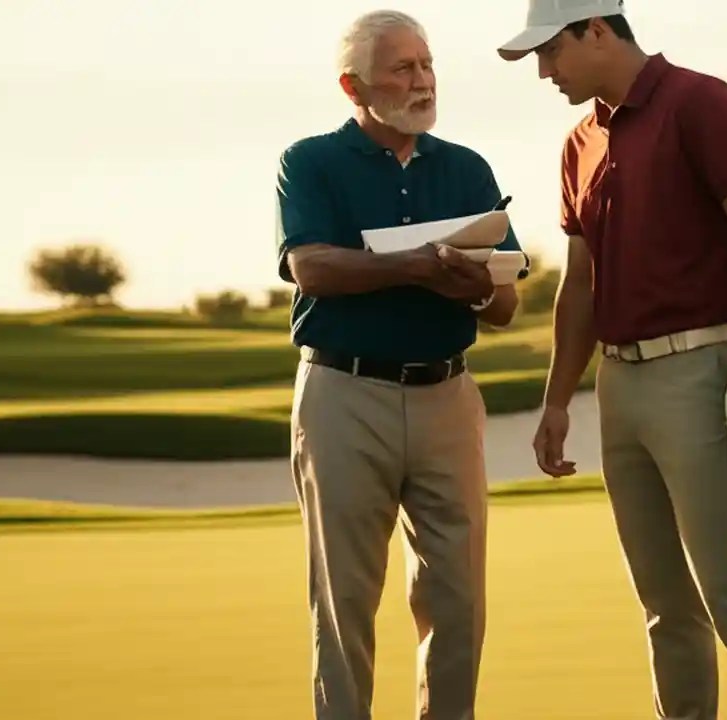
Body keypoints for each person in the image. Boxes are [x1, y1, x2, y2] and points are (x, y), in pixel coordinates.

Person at [497, 1, 727, 719]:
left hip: (701, 373)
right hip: (622, 384)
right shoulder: (579, 141)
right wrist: (556, 401)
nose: (545, 72)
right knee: (664, 603)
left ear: (599, 31)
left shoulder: (699, 103)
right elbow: (580, 284)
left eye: (551, 53)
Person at [275, 9, 523, 720]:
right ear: (354, 86)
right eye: (402, 69)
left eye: (426, 64)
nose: (421, 82)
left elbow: (504, 304)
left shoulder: (467, 168)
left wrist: (477, 283)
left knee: (458, 595)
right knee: (345, 596)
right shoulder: (311, 161)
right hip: (344, 393)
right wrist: (417, 266)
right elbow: (312, 267)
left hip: (448, 395)